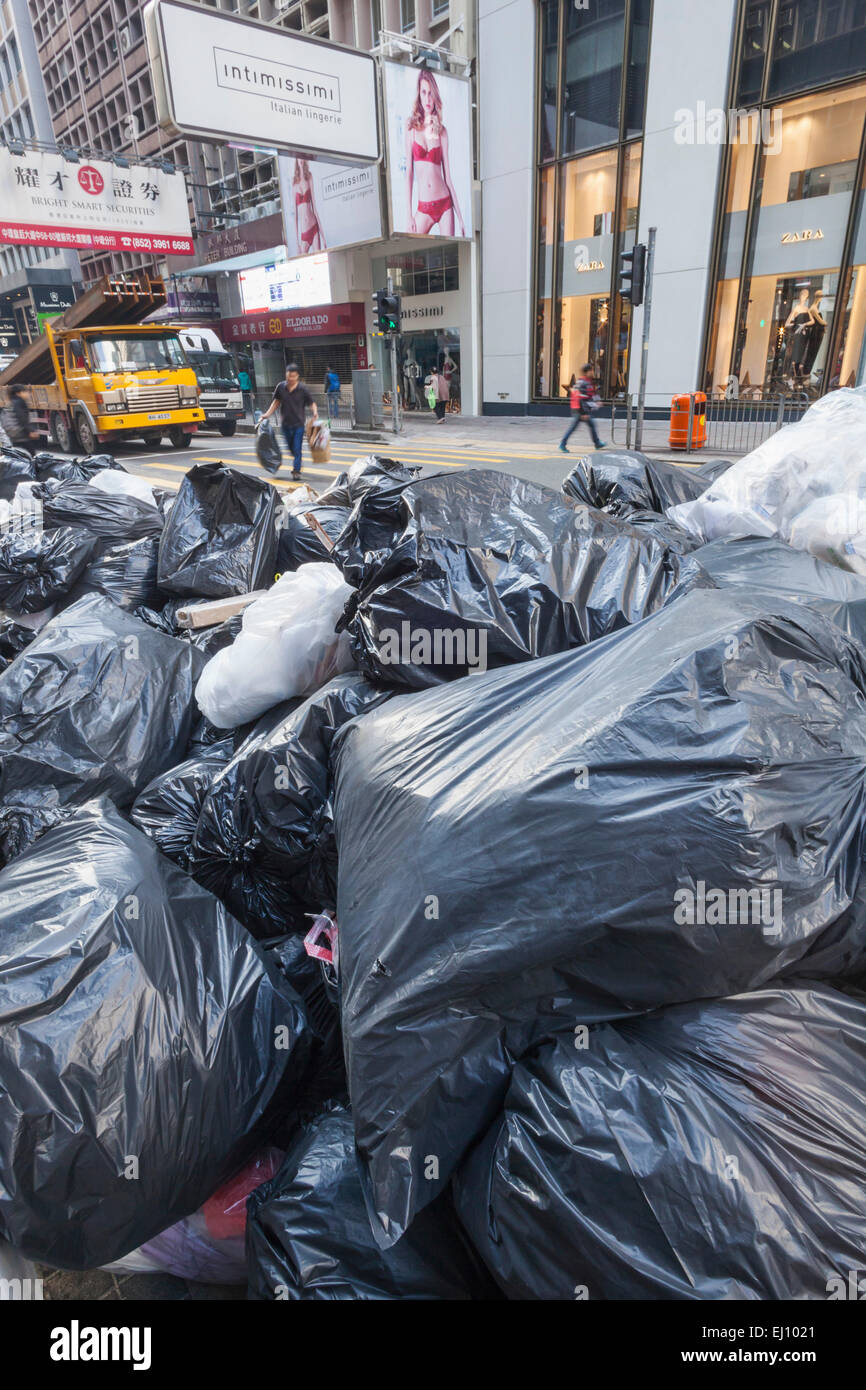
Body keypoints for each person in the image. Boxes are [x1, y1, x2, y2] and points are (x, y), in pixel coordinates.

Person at [405, 69, 465, 237]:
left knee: (453, 250)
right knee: (411, 245)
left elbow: (448, 178)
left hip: (445, 205)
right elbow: (409, 174)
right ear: (419, 94)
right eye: (424, 92)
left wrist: (460, 218)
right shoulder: (411, 129)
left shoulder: (442, 132)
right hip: (423, 207)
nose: (428, 99)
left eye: (431, 93)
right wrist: (409, 215)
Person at [259, 363, 317, 478]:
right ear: (286, 375)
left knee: (297, 448)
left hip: (299, 424)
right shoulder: (281, 387)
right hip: (285, 424)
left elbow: (311, 403)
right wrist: (267, 414)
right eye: (288, 376)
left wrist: (315, 412)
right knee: (290, 449)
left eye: (293, 376)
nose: (290, 379)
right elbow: (276, 402)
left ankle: (296, 471)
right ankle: (297, 460)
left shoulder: (302, 389)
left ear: (297, 376)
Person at [559, 364, 605, 452]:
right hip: (580, 410)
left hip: (581, 410)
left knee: (591, 425)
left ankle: (597, 443)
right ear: (587, 372)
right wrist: (583, 413)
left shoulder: (587, 381)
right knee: (574, 427)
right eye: (591, 370)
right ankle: (562, 444)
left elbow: (591, 395)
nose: (593, 372)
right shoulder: (583, 382)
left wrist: (597, 401)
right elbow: (580, 398)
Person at [293, 158, 325, 253]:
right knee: (303, 261)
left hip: (314, 226)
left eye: (302, 157)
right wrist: (297, 242)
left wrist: (323, 237)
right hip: (304, 232)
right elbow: (295, 215)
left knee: (319, 259)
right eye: (298, 157)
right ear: (296, 160)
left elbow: (314, 207)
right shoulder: (294, 182)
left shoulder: (309, 177)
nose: (301, 160)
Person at [1, 385, 38, 456]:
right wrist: (30, 431)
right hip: (20, 433)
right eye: (25, 391)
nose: (28, 394)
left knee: (18, 454)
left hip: (12, 433)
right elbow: (22, 418)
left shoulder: (12, 402)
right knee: (32, 455)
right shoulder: (19, 402)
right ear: (18, 393)